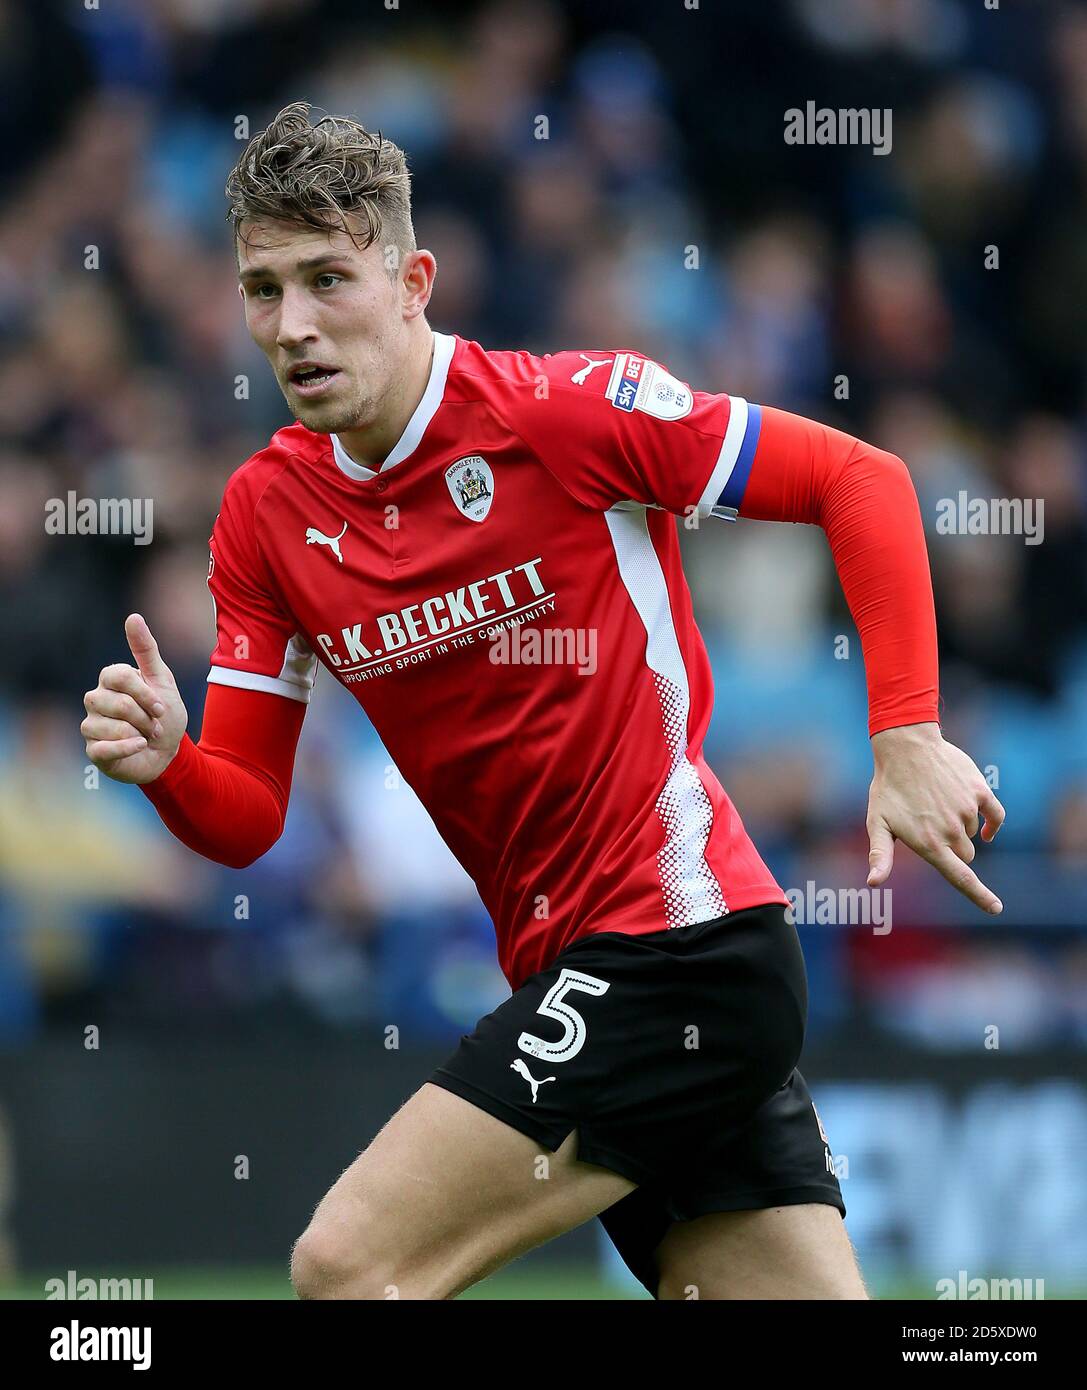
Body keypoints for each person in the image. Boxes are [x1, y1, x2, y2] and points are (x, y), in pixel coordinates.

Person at [80, 103, 1005, 1300]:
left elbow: (859, 478)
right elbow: (248, 812)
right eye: (265, 289)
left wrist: (905, 732)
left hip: (682, 945)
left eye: (328, 279)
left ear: (412, 280)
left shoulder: (566, 412)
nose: (293, 324)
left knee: (347, 1265)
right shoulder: (266, 515)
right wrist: (170, 766)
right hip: (585, 976)